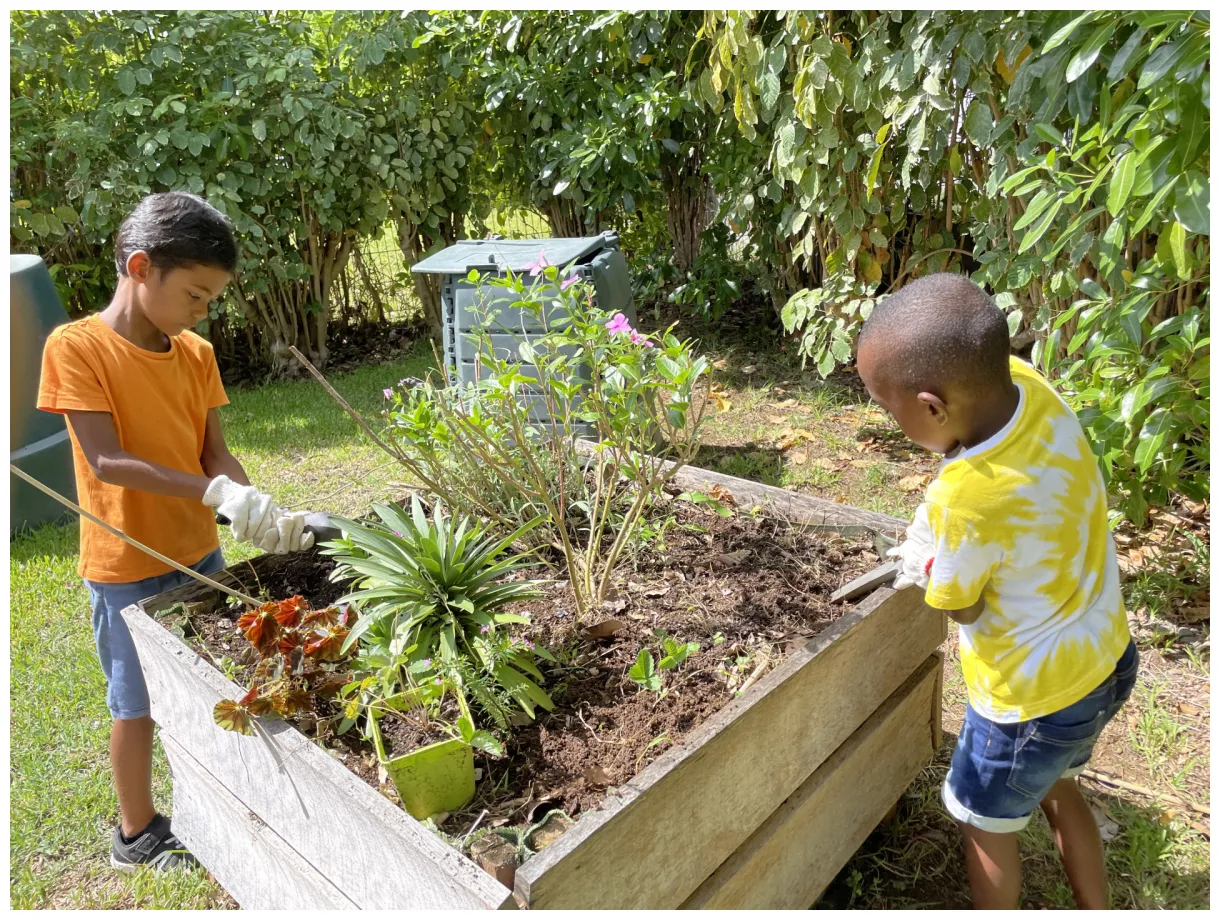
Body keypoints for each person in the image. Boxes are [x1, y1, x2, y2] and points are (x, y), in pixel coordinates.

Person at [37, 192, 314, 871]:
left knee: (212, 682)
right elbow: (107, 460)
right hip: (126, 564)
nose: (201, 310)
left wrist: (248, 499)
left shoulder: (195, 353)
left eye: (210, 299)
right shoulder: (76, 347)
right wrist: (212, 490)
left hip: (199, 551)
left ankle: (223, 796)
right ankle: (137, 833)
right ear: (140, 267)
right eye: (195, 293)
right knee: (135, 703)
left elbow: (212, 452)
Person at [856, 273, 1136, 909]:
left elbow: (962, 602)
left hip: (1028, 703)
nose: (891, 421)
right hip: (1105, 662)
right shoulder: (1023, 383)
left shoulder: (966, 497)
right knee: (1061, 786)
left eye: (887, 408)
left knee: (986, 826)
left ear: (931, 407)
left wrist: (927, 562)